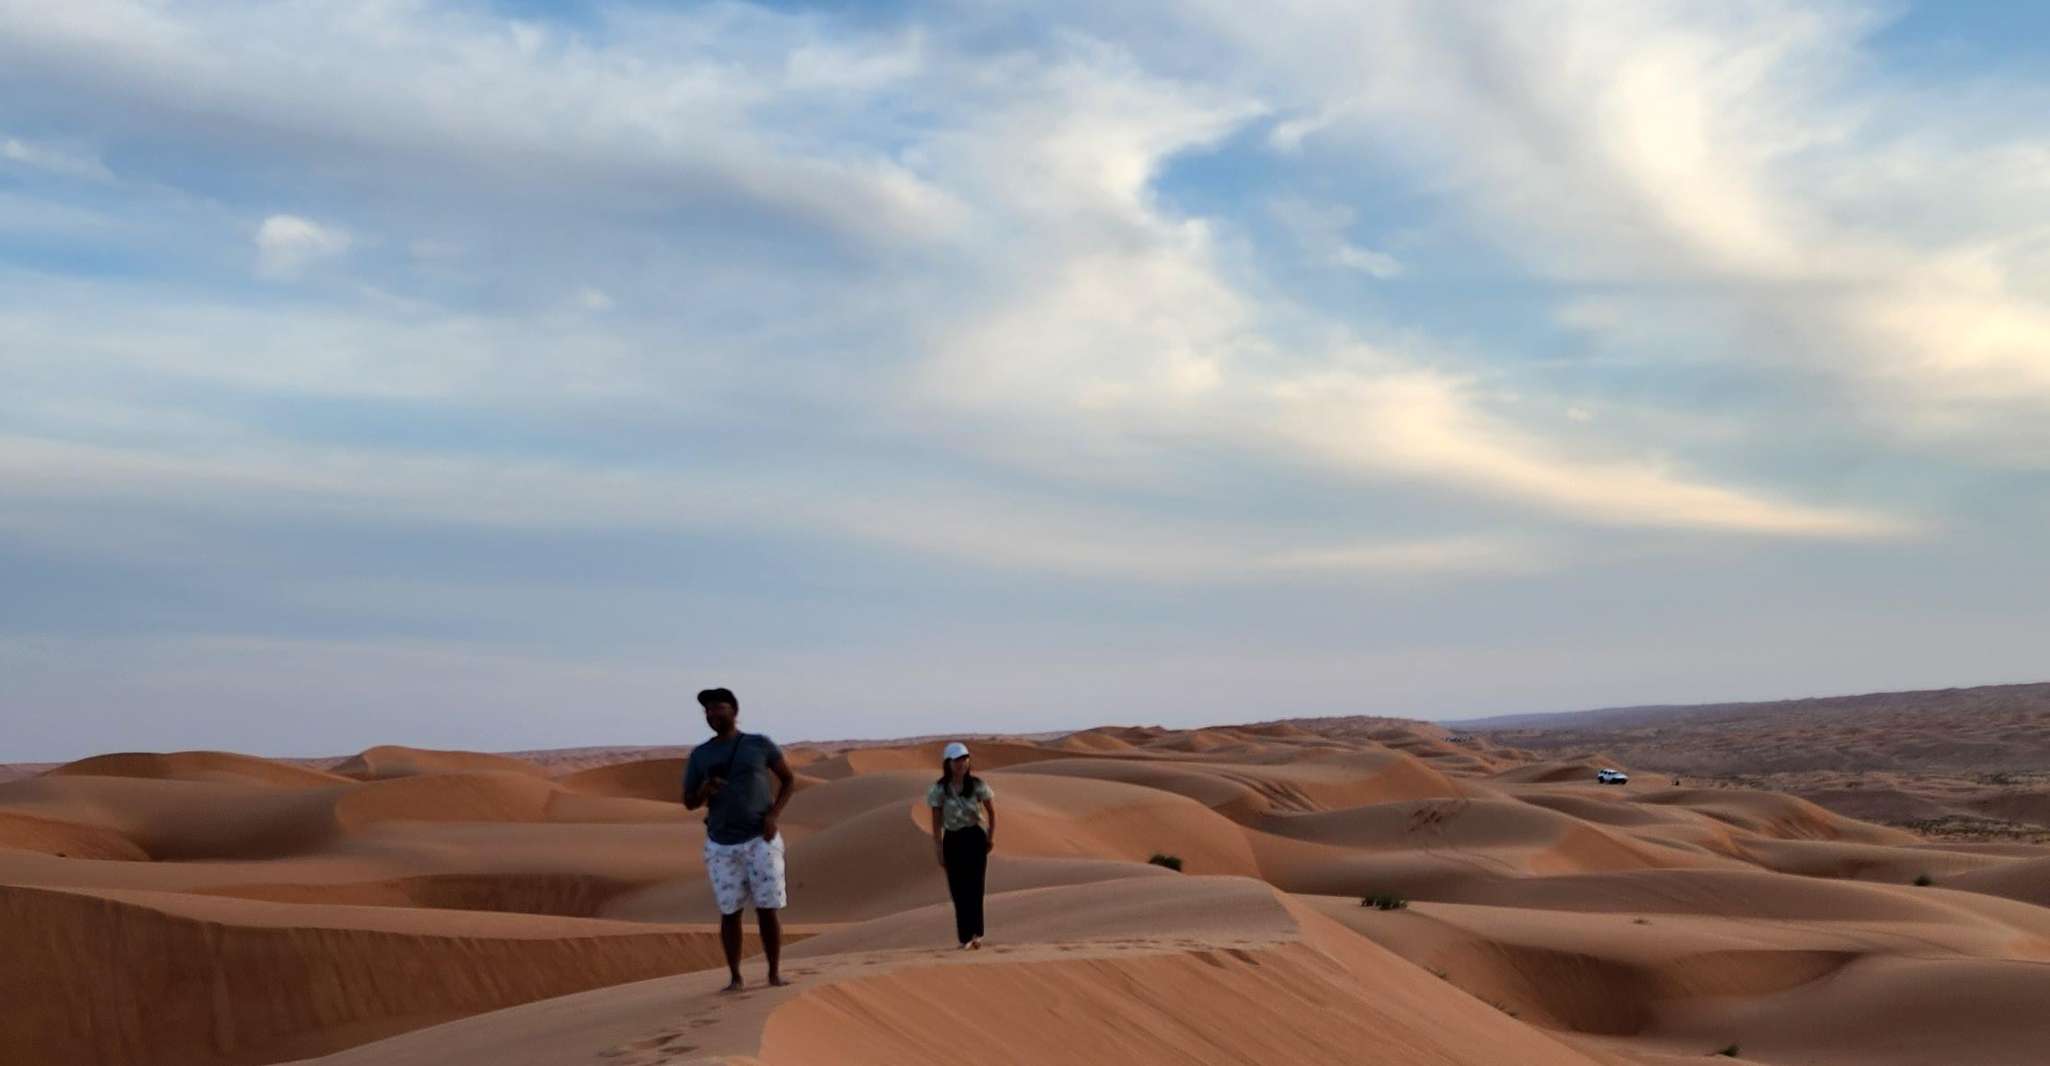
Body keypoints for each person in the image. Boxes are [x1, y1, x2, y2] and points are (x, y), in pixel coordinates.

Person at [682, 687, 796, 991]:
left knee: (767, 907)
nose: (713, 714)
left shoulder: (759, 745)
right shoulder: (700, 755)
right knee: (729, 911)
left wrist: (773, 815)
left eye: (719, 707)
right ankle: (735, 977)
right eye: (708, 710)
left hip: (760, 838)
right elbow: (688, 802)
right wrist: (705, 790)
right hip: (721, 843)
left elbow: (788, 779)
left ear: (734, 710)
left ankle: (773, 973)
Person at [927, 741, 997, 949]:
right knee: (958, 890)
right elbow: (936, 822)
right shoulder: (939, 789)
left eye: (964, 759)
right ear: (947, 763)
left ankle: (977, 934)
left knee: (976, 888)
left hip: (975, 838)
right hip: (953, 840)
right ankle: (965, 936)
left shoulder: (977, 785)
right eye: (957, 760)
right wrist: (939, 849)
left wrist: (990, 837)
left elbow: (992, 812)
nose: (961, 763)